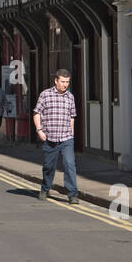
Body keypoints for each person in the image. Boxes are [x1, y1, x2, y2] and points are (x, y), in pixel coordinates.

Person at [33, 69, 79, 204]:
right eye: (63, 82)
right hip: (50, 138)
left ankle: (72, 194)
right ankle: (45, 189)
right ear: (56, 81)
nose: (65, 85)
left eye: (67, 82)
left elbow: (72, 117)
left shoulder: (70, 97)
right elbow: (37, 113)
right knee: (49, 166)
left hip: (66, 138)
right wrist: (39, 130)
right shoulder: (45, 95)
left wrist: (72, 134)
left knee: (70, 164)